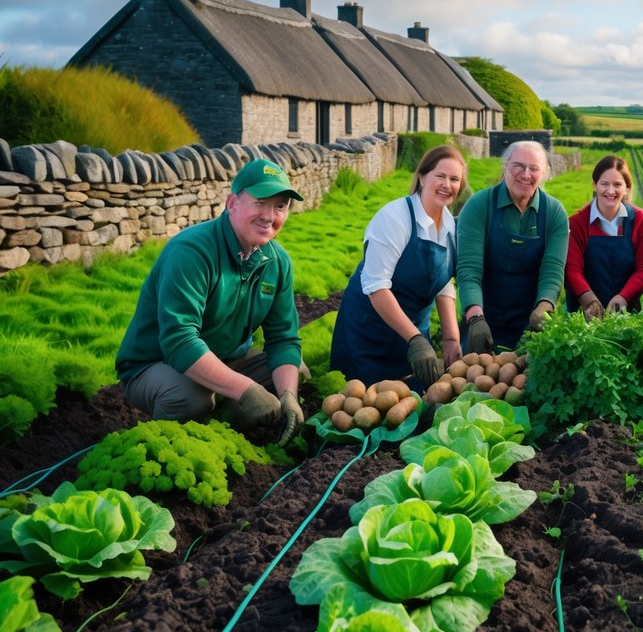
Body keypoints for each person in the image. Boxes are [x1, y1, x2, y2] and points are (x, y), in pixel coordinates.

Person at [116, 158, 307, 446]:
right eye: (260, 202)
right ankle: (167, 444)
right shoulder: (192, 251)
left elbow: (283, 340)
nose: (270, 216)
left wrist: (288, 397)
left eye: (280, 206)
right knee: (190, 398)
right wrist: (246, 390)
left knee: (294, 372)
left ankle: (218, 426)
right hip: (156, 363)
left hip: (225, 356)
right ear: (232, 204)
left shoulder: (277, 262)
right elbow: (179, 342)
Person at [329, 145, 464, 392]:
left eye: (455, 179)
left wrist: (451, 339)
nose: (447, 184)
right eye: (440, 176)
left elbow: (443, 282)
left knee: (409, 402)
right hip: (369, 332)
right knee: (362, 404)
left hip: (414, 332)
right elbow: (376, 286)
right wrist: (415, 340)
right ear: (422, 178)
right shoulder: (394, 217)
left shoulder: (451, 228)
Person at [457, 141, 570, 351]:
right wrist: (475, 317)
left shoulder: (554, 213)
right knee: (474, 380)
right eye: (518, 165)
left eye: (534, 168)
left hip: (531, 323)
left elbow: (553, 270)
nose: (525, 174)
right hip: (482, 319)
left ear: (544, 173)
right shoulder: (479, 206)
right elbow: (469, 270)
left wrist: (544, 307)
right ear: (505, 166)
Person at [565, 154, 643, 317]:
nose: (610, 191)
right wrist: (589, 301)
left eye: (618, 184)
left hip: (626, 314)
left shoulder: (641, 220)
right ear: (594, 185)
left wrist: (624, 297)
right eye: (604, 184)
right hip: (583, 314)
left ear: (627, 188)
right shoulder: (577, 223)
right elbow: (572, 269)